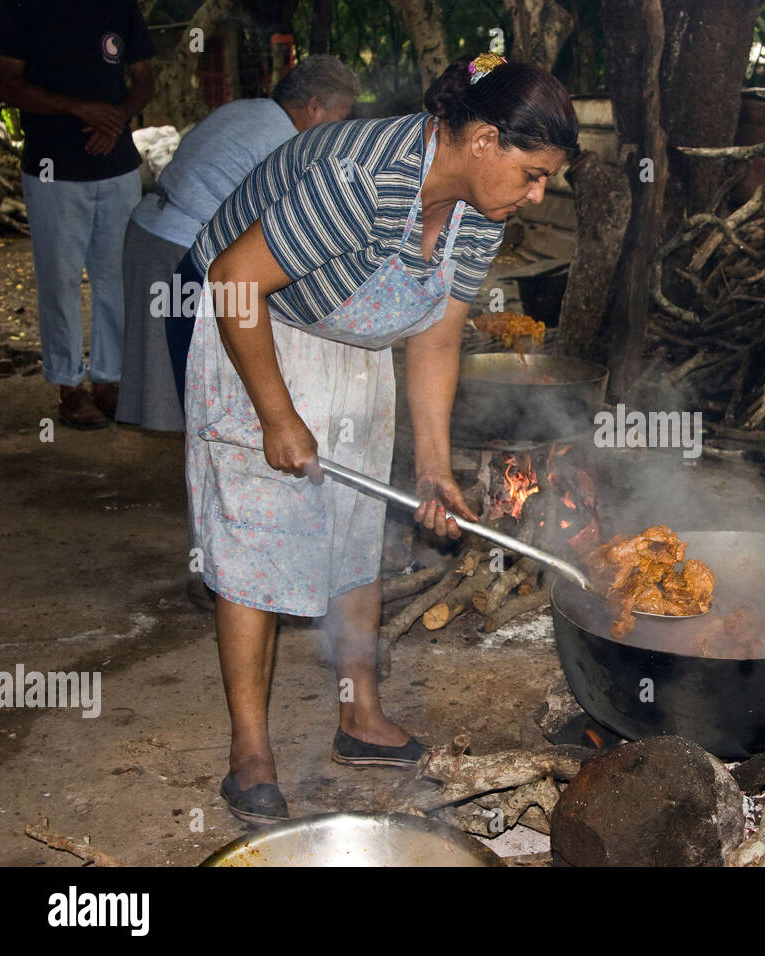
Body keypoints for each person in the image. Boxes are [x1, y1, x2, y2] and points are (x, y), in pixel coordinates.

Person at [185, 51, 578, 824]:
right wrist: (277, 416)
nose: (537, 195)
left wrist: (433, 468)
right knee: (255, 548)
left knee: (353, 534)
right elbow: (234, 280)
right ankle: (251, 755)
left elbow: (436, 333)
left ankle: (360, 718)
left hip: (357, 343)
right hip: (258, 332)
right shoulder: (363, 180)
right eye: (532, 174)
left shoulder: (477, 210)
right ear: (483, 141)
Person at [117, 54, 359, 434]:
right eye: (340, 118)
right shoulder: (286, 146)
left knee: (167, 370)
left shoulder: (248, 109)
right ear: (314, 107)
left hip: (150, 228)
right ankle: (206, 457)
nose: (339, 129)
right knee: (200, 371)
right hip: (180, 245)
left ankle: (188, 450)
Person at [0, 0, 154, 429]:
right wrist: (79, 109)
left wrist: (117, 118)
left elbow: (144, 80)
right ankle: (69, 387)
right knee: (60, 279)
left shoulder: (119, 7)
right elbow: (7, 84)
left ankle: (108, 380)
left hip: (117, 163)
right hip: (53, 167)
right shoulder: (19, 9)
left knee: (115, 277)